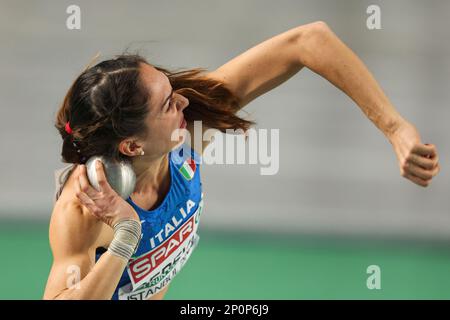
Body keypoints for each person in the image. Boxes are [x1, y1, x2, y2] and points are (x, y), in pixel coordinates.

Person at [43, 21, 440, 300]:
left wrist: (395, 128)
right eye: (167, 104)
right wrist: (126, 236)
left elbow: (307, 41)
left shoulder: (188, 134)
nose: (183, 100)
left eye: (171, 89)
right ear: (131, 145)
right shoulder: (87, 209)